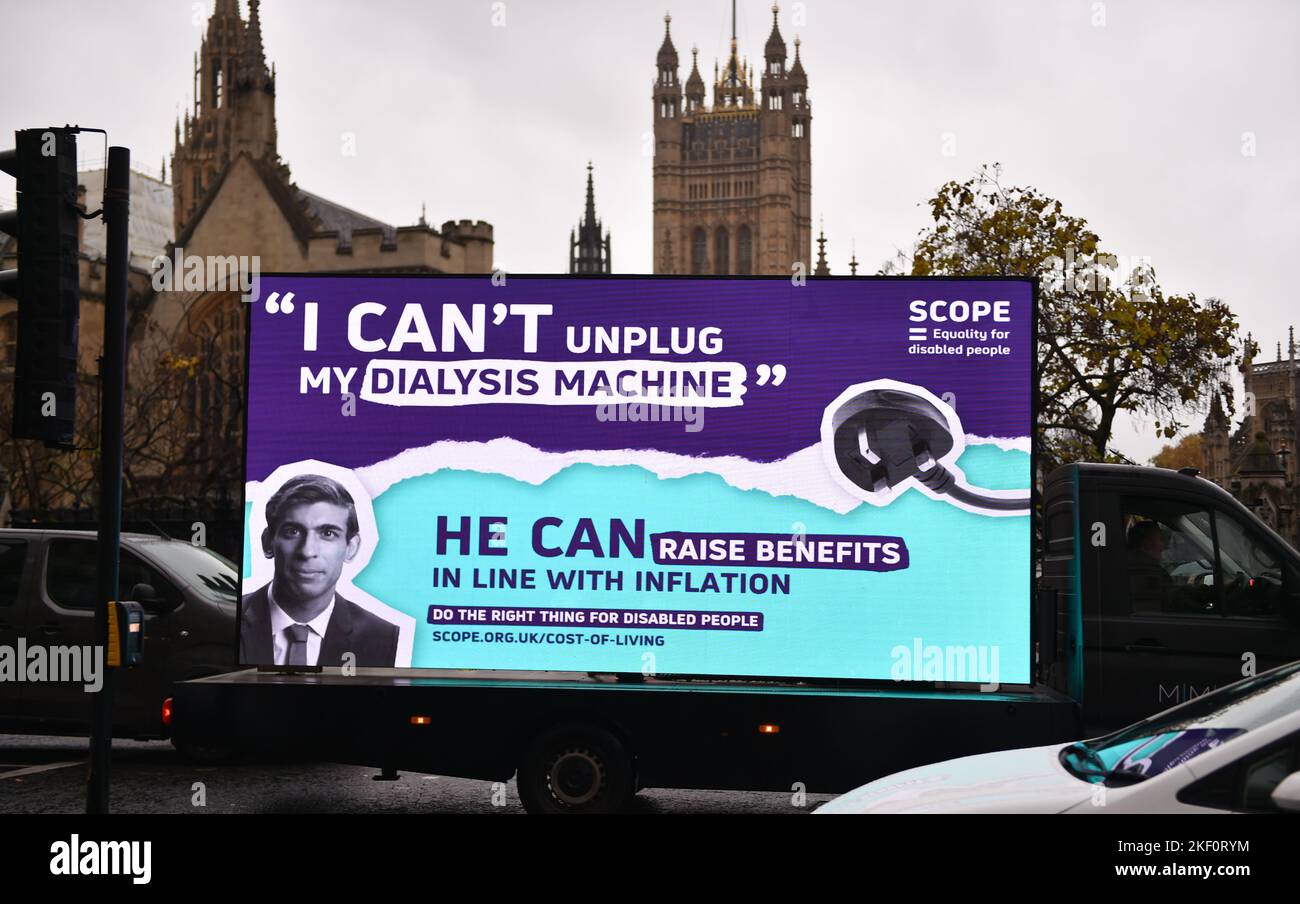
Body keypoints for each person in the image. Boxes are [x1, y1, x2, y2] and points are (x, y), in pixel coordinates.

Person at [241, 474, 398, 667]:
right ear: (268, 542)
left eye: (328, 534)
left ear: (351, 547)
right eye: (293, 531)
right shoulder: (227, 619)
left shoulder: (381, 638)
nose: (307, 551)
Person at [1126, 520, 1174, 613]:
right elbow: (1173, 600)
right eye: (1160, 539)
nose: (1163, 546)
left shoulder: (1128, 565)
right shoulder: (1149, 571)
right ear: (1147, 543)